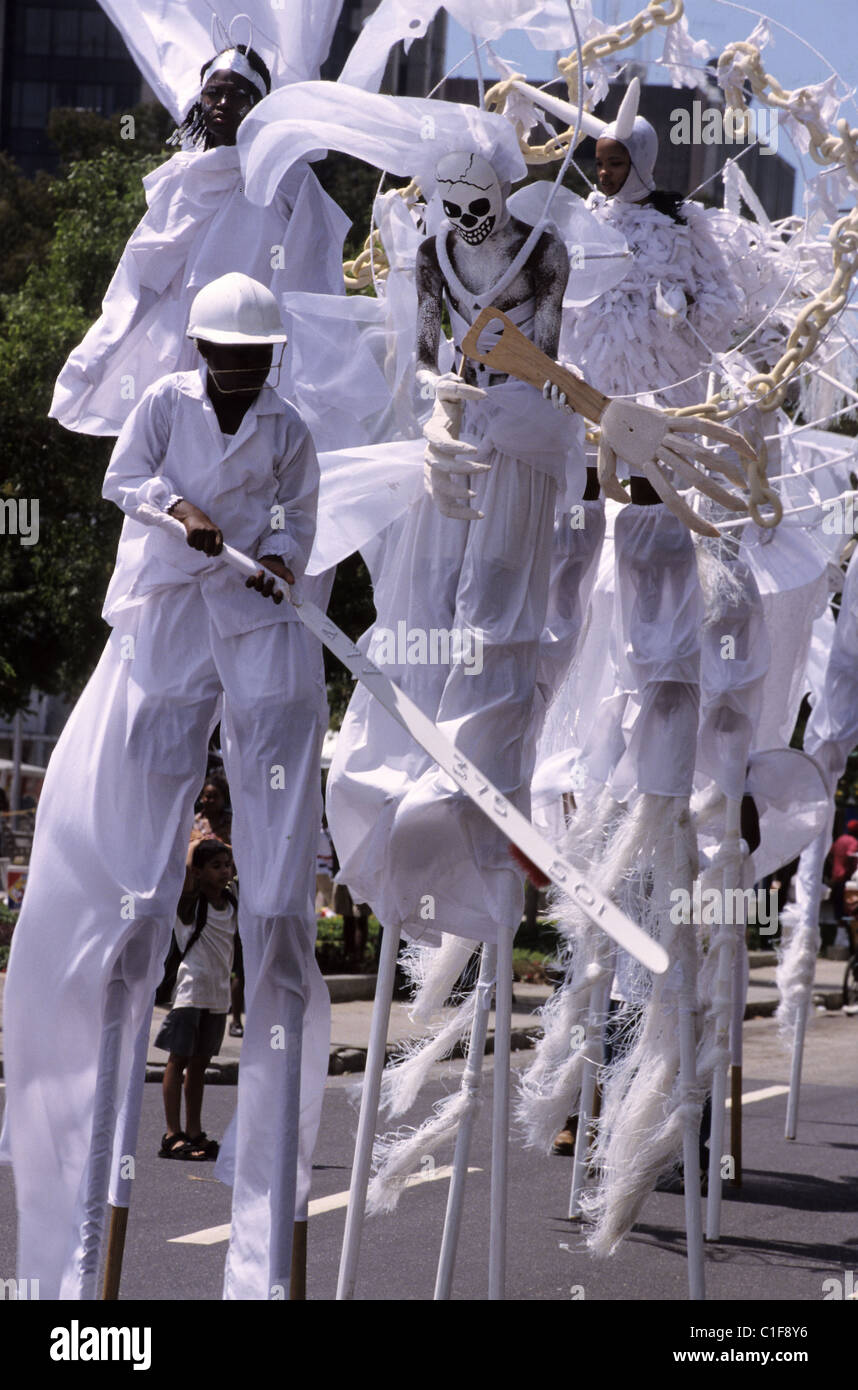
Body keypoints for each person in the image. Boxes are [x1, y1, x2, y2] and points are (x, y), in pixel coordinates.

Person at [1, 271, 329, 1299]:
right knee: (152, 745)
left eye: (256, 358)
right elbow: (124, 478)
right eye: (230, 356)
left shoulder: (288, 426)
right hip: (169, 601)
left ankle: (277, 901)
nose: (242, 371)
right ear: (203, 351)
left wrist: (280, 556)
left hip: (249, 605)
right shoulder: (164, 402)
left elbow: (299, 511)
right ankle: (136, 893)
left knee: (280, 723)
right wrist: (183, 512)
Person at [49, 40, 347, 438]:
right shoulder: (182, 178)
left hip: (256, 348)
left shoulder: (287, 179)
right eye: (214, 93)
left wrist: (286, 353)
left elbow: (314, 275)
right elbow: (141, 277)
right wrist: (101, 350)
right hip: (186, 342)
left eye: (237, 94)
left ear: (259, 104)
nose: (223, 103)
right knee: (176, 444)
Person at [156, 838, 237, 1160]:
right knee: (178, 1061)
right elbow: (186, 868)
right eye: (215, 866)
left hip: (217, 996)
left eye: (226, 865)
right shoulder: (190, 903)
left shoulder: (232, 901)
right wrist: (198, 841)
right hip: (191, 993)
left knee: (200, 1065)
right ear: (199, 872)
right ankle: (172, 1134)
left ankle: (194, 1131)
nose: (224, 871)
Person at [829, 820, 858, 926]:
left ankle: (839, 924)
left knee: (837, 901)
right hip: (845, 875)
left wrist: (835, 864)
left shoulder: (840, 839)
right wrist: (849, 868)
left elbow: (831, 852)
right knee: (847, 903)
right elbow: (850, 854)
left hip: (835, 874)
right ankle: (846, 927)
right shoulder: (853, 842)